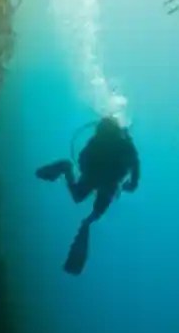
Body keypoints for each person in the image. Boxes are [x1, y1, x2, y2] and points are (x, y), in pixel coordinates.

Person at [35, 116, 139, 274]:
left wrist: (87, 172)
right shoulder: (126, 144)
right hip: (108, 183)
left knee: (78, 197)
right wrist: (131, 184)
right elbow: (134, 166)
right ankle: (86, 223)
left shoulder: (98, 139)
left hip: (93, 176)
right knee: (95, 214)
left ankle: (67, 168)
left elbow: (83, 156)